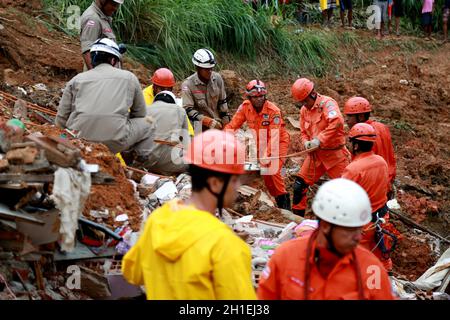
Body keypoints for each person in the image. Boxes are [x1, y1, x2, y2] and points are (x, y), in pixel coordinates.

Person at [122, 130, 257, 300]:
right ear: (215, 183)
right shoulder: (226, 246)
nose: (237, 187)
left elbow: (133, 273)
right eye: (234, 180)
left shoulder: (159, 219)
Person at [257, 178, 396, 300]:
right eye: (349, 230)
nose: (358, 237)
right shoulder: (286, 256)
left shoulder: (371, 270)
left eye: (359, 229)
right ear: (325, 225)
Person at [56, 38, 153, 158]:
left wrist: (61, 139)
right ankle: (135, 162)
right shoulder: (129, 78)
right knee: (149, 122)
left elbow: (61, 118)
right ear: (113, 60)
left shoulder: (76, 80)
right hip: (114, 142)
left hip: (77, 140)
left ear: (92, 59)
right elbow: (140, 114)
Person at [224, 80, 291, 210]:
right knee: (267, 178)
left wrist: (266, 155)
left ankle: (286, 209)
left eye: (261, 96)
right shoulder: (245, 107)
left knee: (274, 171)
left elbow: (275, 136)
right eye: (255, 97)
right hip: (262, 144)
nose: (259, 99)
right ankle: (277, 205)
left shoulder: (273, 111)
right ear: (249, 97)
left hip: (278, 143)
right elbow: (233, 126)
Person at [291, 78, 350, 217]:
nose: (304, 105)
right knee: (299, 186)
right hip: (316, 156)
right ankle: (297, 221)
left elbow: (337, 122)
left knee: (347, 191)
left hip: (335, 155)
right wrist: (306, 142)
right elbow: (303, 132)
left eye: (305, 101)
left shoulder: (327, 104)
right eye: (301, 102)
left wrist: (319, 140)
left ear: (313, 94)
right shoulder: (304, 111)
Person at [342, 123, 396, 272]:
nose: (349, 144)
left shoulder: (353, 169)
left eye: (351, 141)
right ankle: (386, 283)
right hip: (382, 218)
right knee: (382, 255)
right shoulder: (381, 162)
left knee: (356, 261)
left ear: (356, 146)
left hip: (362, 225)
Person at [343, 96, 396, 194]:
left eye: (350, 116)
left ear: (361, 116)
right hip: (386, 181)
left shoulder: (362, 137)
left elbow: (360, 168)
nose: (347, 120)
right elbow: (391, 156)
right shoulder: (382, 127)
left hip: (373, 189)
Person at [130, 91, 190, 175]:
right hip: (171, 165)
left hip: (144, 164)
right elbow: (186, 141)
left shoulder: (143, 110)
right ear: (173, 102)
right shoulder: (180, 111)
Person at [182, 48, 231, 132]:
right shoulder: (188, 85)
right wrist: (206, 121)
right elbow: (187, 109)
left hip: (217, 125)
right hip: (198, 127)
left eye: (211, 68)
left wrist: (226, 124)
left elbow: (223, 103)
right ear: (197, 68)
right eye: (206, 69)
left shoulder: (217, 78)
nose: (210, 71)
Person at [143, 68, 194, 136]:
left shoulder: (172, 100)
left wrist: (190, 137)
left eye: (169, 89)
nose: (165, 91)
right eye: (161, 89)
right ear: (154, 87)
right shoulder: (144, 98)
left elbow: (187, 127)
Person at [80, 0, 123, 70]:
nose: (115, 8)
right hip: (101, 77)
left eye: (117, 5)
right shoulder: (92, 18)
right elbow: (87, 52)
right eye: (113, 4)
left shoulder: (102, 17)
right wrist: (98, 78)